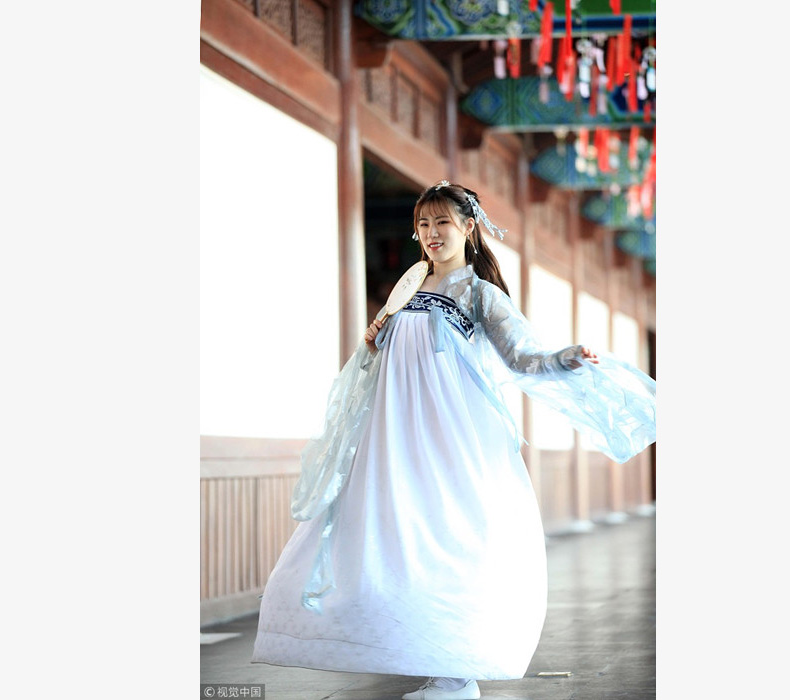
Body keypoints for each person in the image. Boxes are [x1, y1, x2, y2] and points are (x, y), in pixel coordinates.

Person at [250, 180, 657, 700]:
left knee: (450, 542)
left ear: (468, 227)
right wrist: (375, 344)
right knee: (393, 542)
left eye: (442, 222)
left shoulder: (478, 294)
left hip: (450, 439)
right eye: (423, 224)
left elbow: (522, 357)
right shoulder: (407, 291)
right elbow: (389, 364)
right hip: (394, 440)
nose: (431, 233)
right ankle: (432, 663)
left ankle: (458, 676)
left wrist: (565, 358)